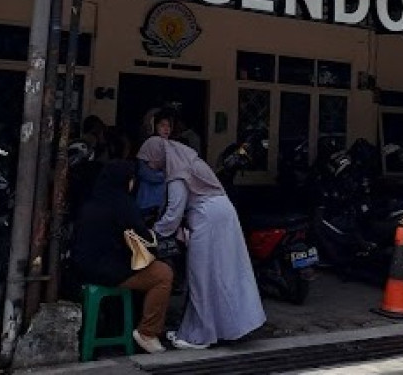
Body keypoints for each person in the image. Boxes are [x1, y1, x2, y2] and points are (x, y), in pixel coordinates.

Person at [137, 136, 265, 350]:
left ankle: (201, 335)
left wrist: (153, 233)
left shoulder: (177, 171)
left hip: (208, 219)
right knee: (224, 274)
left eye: (149, 160)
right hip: (221, 216)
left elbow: (174, 212)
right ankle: (221, 329)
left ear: (157, 155)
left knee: (201, 277)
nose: (149, 166)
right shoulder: (187, 159)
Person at [70, 160, 173, 355]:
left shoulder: (91, 202)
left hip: (84, 269)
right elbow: (142, 237)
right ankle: (147, 332)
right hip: (109, 271)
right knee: (163, 274)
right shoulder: (123, 204)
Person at [135, 110, 173, 220]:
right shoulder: (150, 143)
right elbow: (143, 171)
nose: (166, 129)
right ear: (156, 126)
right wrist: (164, 175)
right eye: (162, 125)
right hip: (148, 196)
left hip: (161, 196)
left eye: (168, 126)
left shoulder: (171, 145)